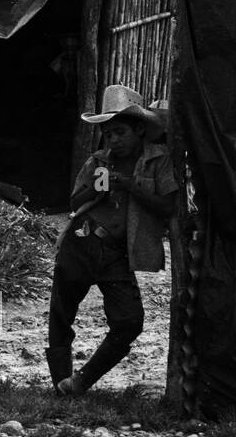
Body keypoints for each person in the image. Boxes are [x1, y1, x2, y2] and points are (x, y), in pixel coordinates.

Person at [46, 84, 179, 396]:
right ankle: (60, 388)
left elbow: (168, 206)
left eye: (120, 132)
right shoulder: (97, 161)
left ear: (139, 130)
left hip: (117, 254)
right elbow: (75, 201)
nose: (113, 140)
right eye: (108, 134)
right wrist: (97, 187)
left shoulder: (158, 162)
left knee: (129, 323)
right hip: (80, 245)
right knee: (61, 316)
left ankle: (80, 382)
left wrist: (130, 186)